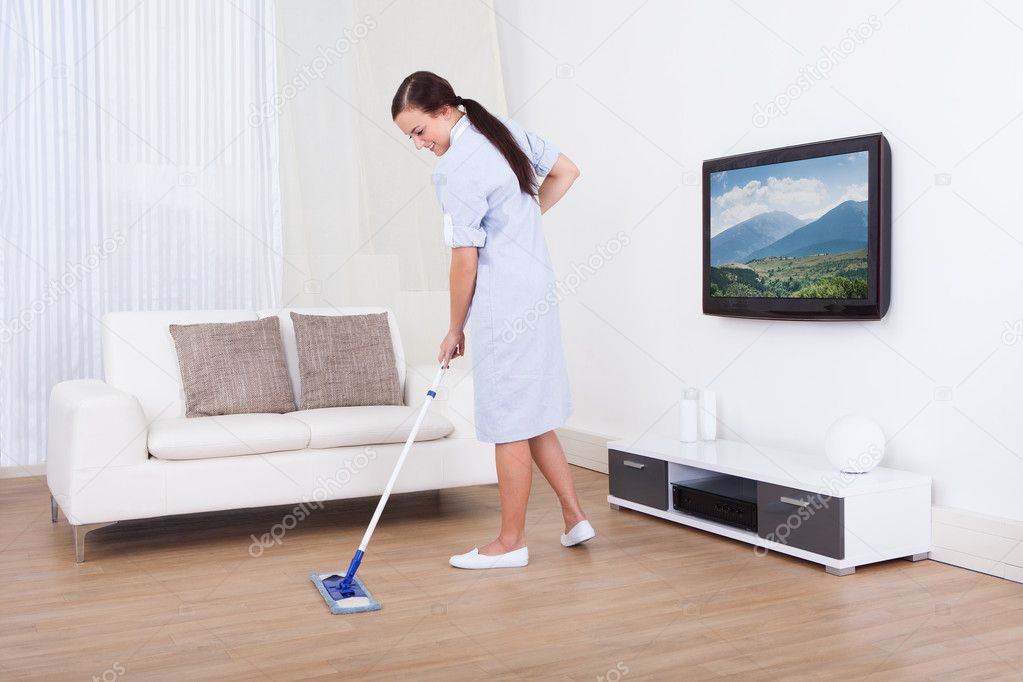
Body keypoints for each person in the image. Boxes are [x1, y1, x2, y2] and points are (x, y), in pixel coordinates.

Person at [391, 71, 594, 569]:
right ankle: (574, 517)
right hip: (537, 290)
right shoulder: (500, 129)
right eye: (410, 138)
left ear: (442, 111)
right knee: (533, 411)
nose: (419, 145)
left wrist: (454, 327)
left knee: (508, 420)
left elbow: (464, 261)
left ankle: (510, 542)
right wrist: (521, 226)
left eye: (419, 131)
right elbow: (567, 170)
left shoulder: (456, 168)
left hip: (505, 302)